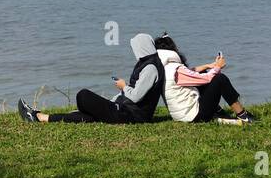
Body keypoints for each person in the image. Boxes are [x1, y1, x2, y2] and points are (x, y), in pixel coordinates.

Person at [18, 33, 164, 125]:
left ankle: (37, 116)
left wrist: (123, 86)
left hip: (132, 116)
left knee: (83, 96)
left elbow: (136, 96)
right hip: (127, 111)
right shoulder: (148, 63)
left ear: (141, 48)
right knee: (89, 116)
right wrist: (114, 100)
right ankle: (40, 117)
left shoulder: (150, 68)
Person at [154, 34, 254, 124]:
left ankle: (217, 112)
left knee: (201, 73)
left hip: (182, 115)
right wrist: (217, 67)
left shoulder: (165, 68)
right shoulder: (176, 69)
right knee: (220, 79)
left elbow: (190, 72)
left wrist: (208, 66)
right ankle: (243, 115)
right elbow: (205, 79)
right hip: (194, 116)